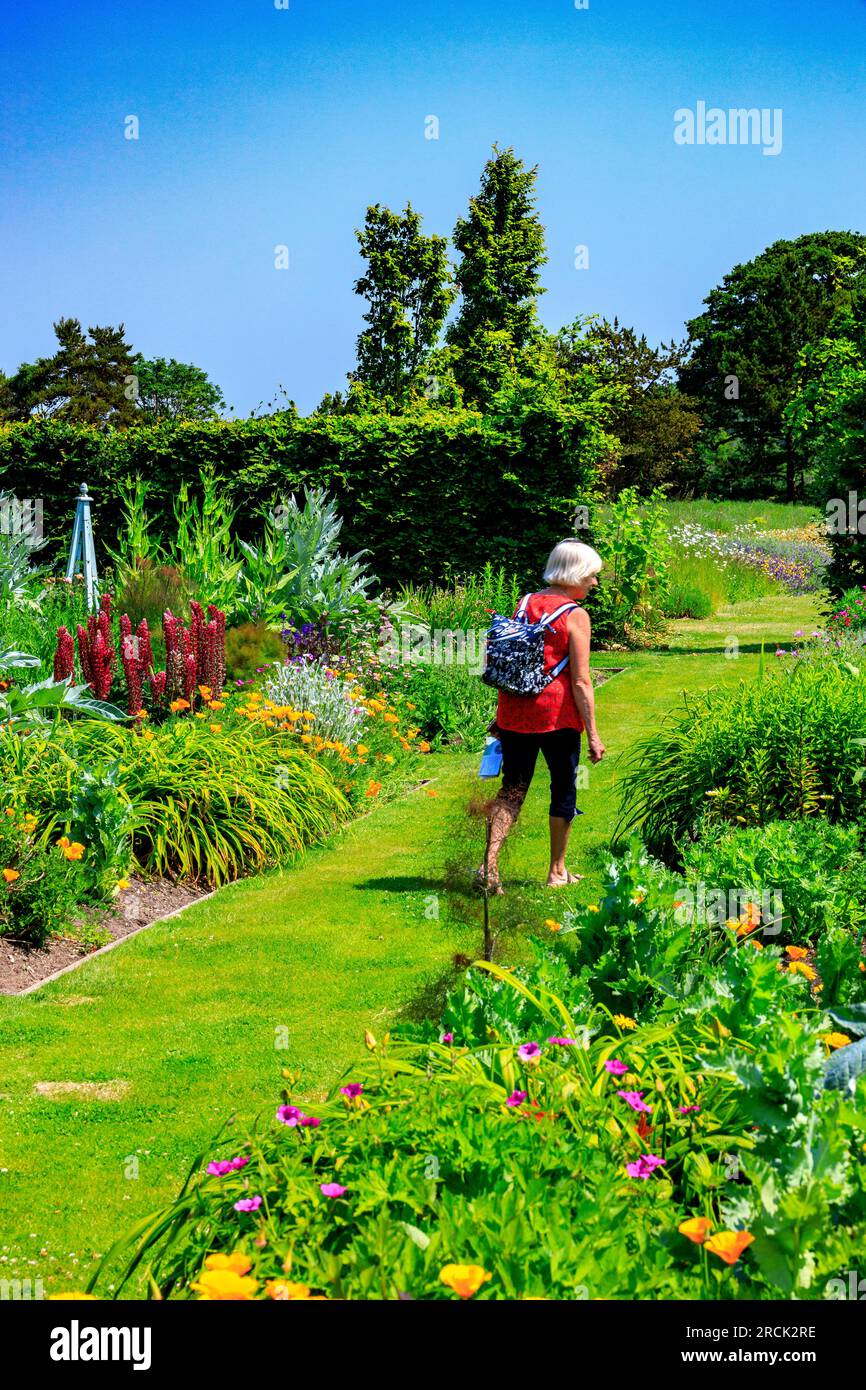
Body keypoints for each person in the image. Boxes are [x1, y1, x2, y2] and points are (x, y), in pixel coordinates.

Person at [479, 538, 605, 892]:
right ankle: (556, 871)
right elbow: (581, 681)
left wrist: (499, 715)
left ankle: (488, 869)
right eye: (592, 576)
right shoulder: (575, 615)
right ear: (576, 574)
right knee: (564, 788)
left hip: (515, 714)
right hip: (557, 718)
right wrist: (593, 733)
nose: (594, 583)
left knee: (512, 790)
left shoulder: (524, 604)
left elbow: (512, 665)